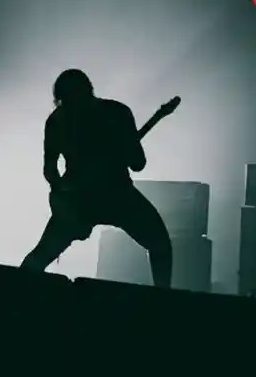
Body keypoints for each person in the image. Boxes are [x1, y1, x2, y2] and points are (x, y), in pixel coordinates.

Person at [20, 69, 173, 288]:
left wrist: (62, 197)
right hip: (116, 196)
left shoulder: (57, 120)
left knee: (40, 257)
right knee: (160, 246)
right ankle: (164, 304)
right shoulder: (118, 113)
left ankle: (13, 297)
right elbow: (138, 164)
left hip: (86, 198)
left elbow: (50, 170)